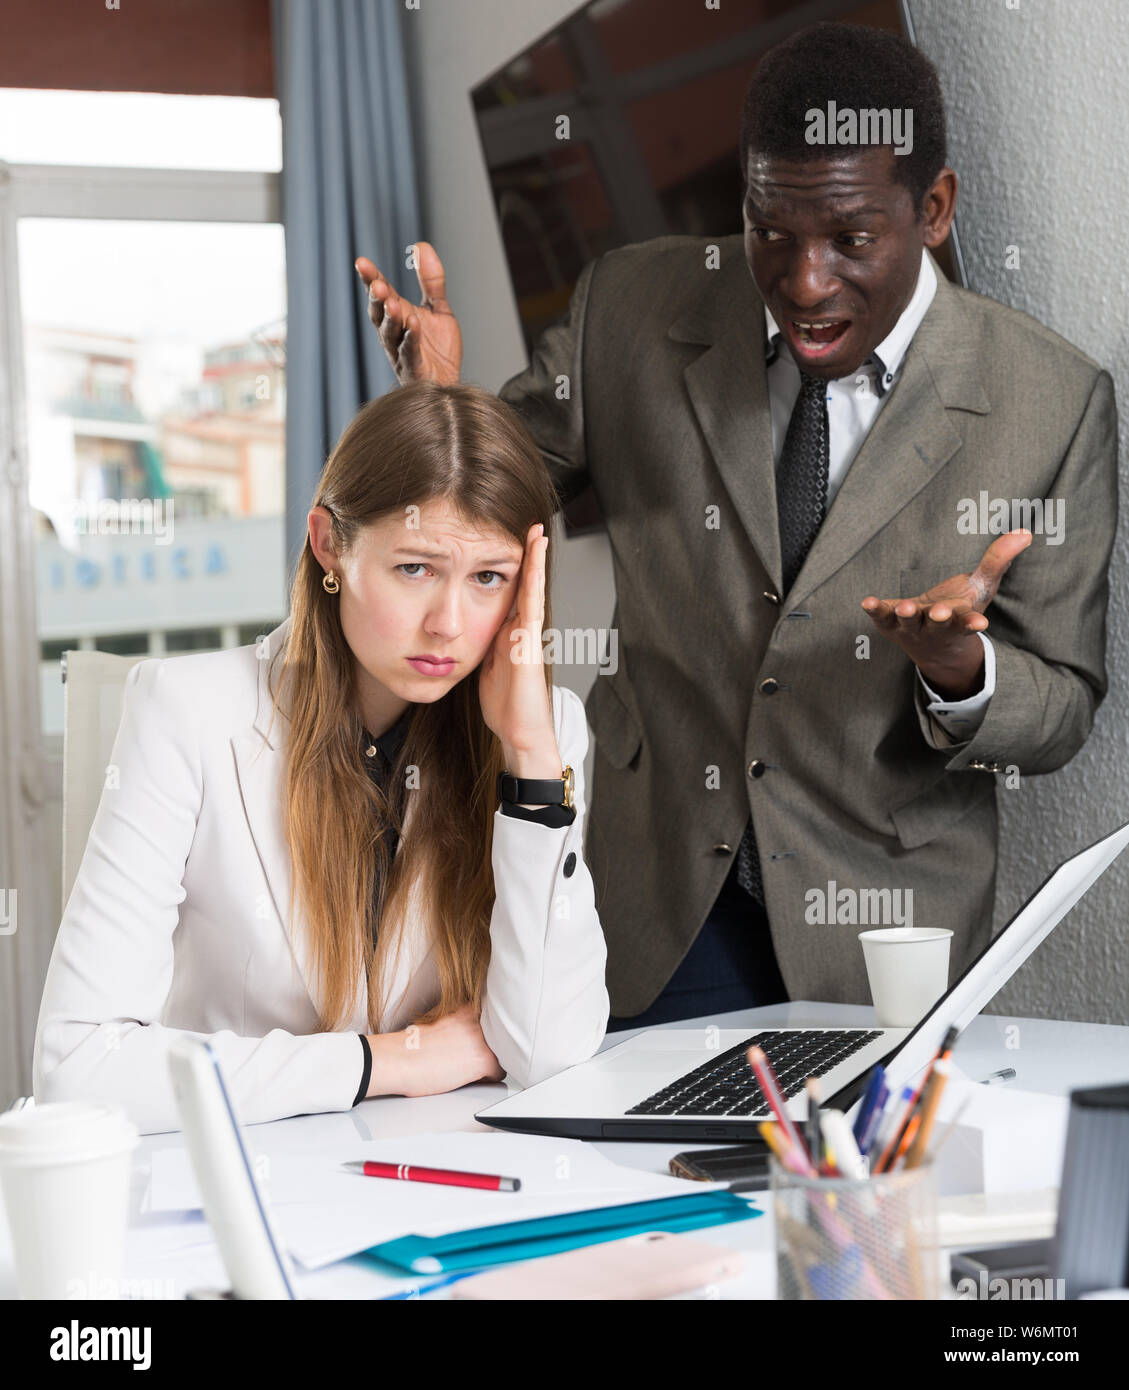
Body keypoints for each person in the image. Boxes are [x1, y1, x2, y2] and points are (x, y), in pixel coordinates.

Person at [355, 23, 1117, 1029]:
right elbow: (506, 493)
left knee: (842, 1193)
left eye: (850, 239)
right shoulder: (629, 304)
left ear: (932, 210)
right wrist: (440, 401)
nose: (804, 283)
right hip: (650, 898)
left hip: (880, 931)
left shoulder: (1050, 401)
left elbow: (1059, 705)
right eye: (770, 231)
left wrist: (960, 673)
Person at [33, 382, 609, 1134]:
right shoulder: (183, 710)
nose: (449, 625)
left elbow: (551, 1055)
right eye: (415, 569)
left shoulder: (543, 731)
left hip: (432, 1180)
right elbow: (77, 1070)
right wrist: (387, 1060)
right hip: (231, 1187)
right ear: (329, 544)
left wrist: (531, 759)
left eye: (488, 579)